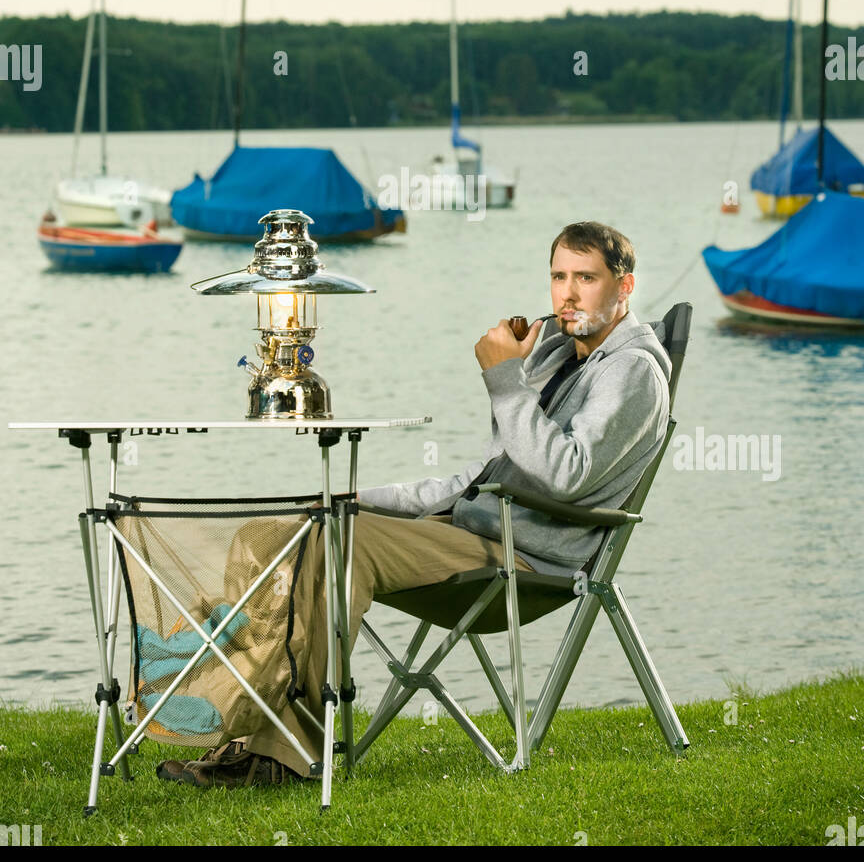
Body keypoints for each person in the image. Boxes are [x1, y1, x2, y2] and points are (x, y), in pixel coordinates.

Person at [157, 220, 671, 788]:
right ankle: (235, 721)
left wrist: (504, 378)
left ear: (624, 287)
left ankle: (283, 752)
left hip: (522, 561)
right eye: (558, 276)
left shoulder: (632, 371)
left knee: (333, 544)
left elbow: (565, 475)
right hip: (467, 529)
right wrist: (361, 499)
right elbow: (477, 478)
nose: (568, 294)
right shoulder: (558, 358)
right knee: (274, 533)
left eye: (587, 278)